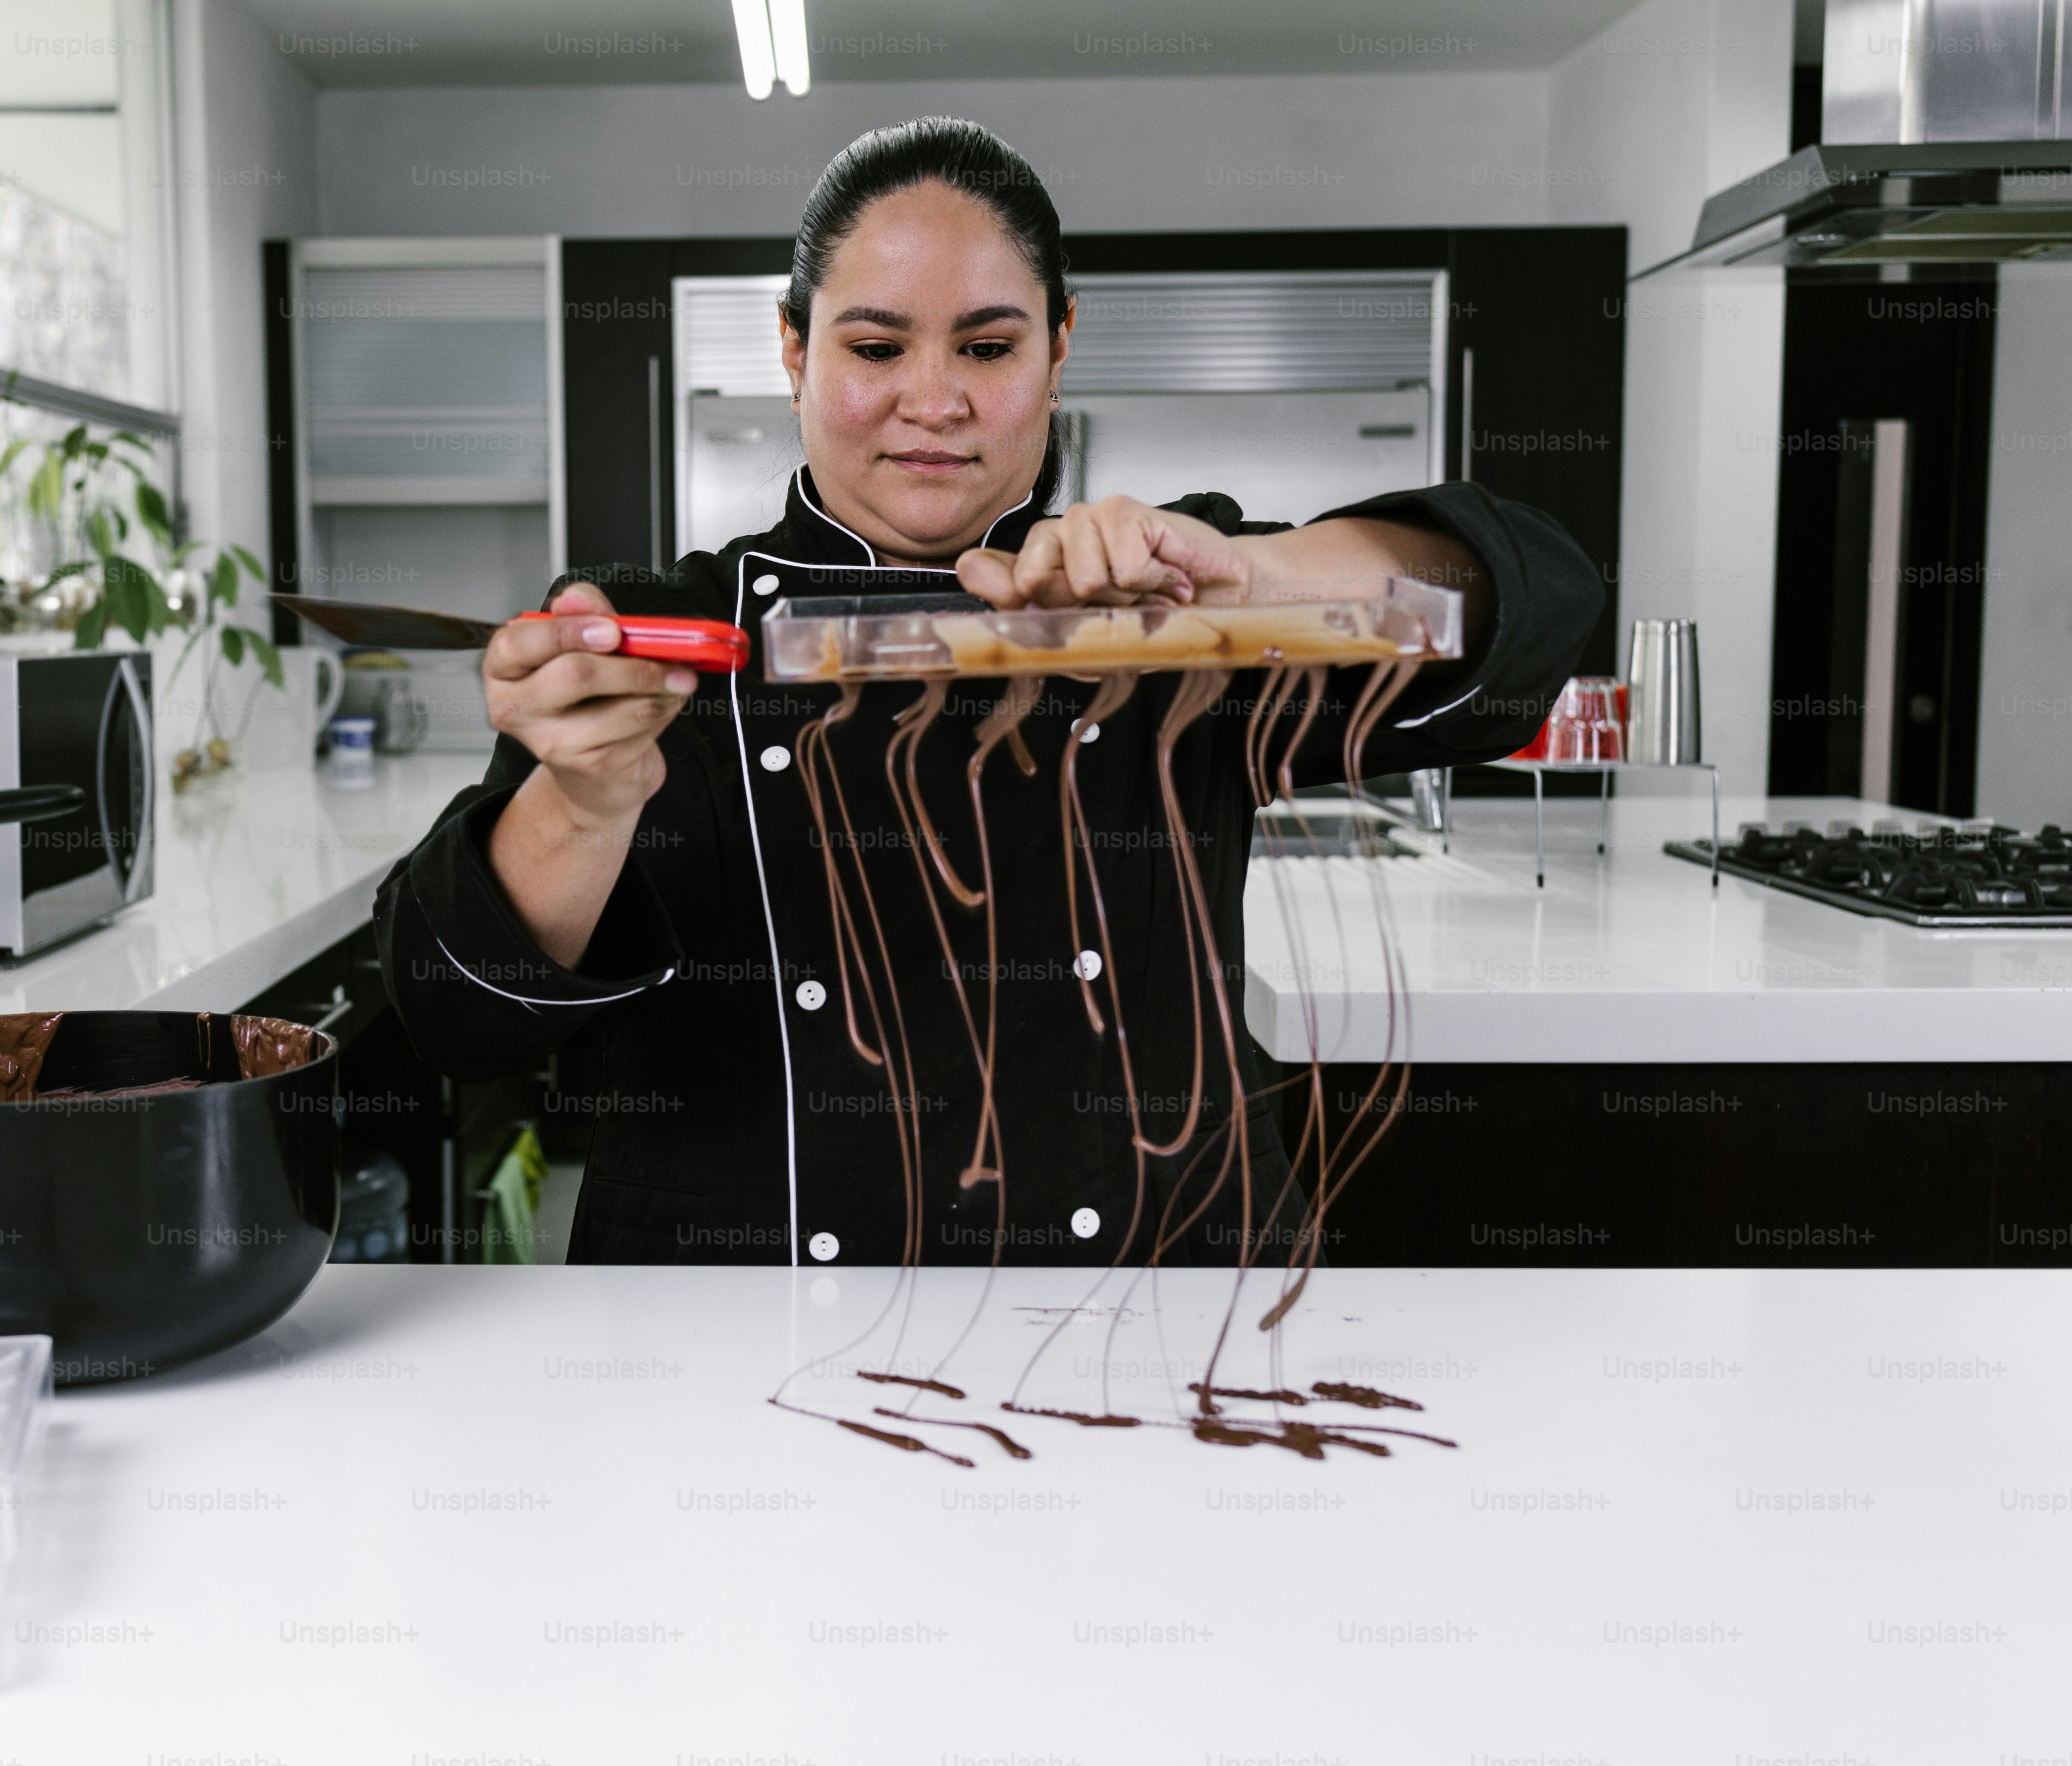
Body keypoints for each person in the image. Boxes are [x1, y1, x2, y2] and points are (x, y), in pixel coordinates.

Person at [374, 116, 1599, 1265]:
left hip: (1151, 1303)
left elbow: (1533, 596)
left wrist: (1253, 577)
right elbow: (454, 1023)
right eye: (872, 347)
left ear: (1058, 346)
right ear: (793, 347)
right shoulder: (661, 637)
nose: (934, 401)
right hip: (733, 1324)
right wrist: (584, 801)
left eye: (986, 346)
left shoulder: (1163, 618)